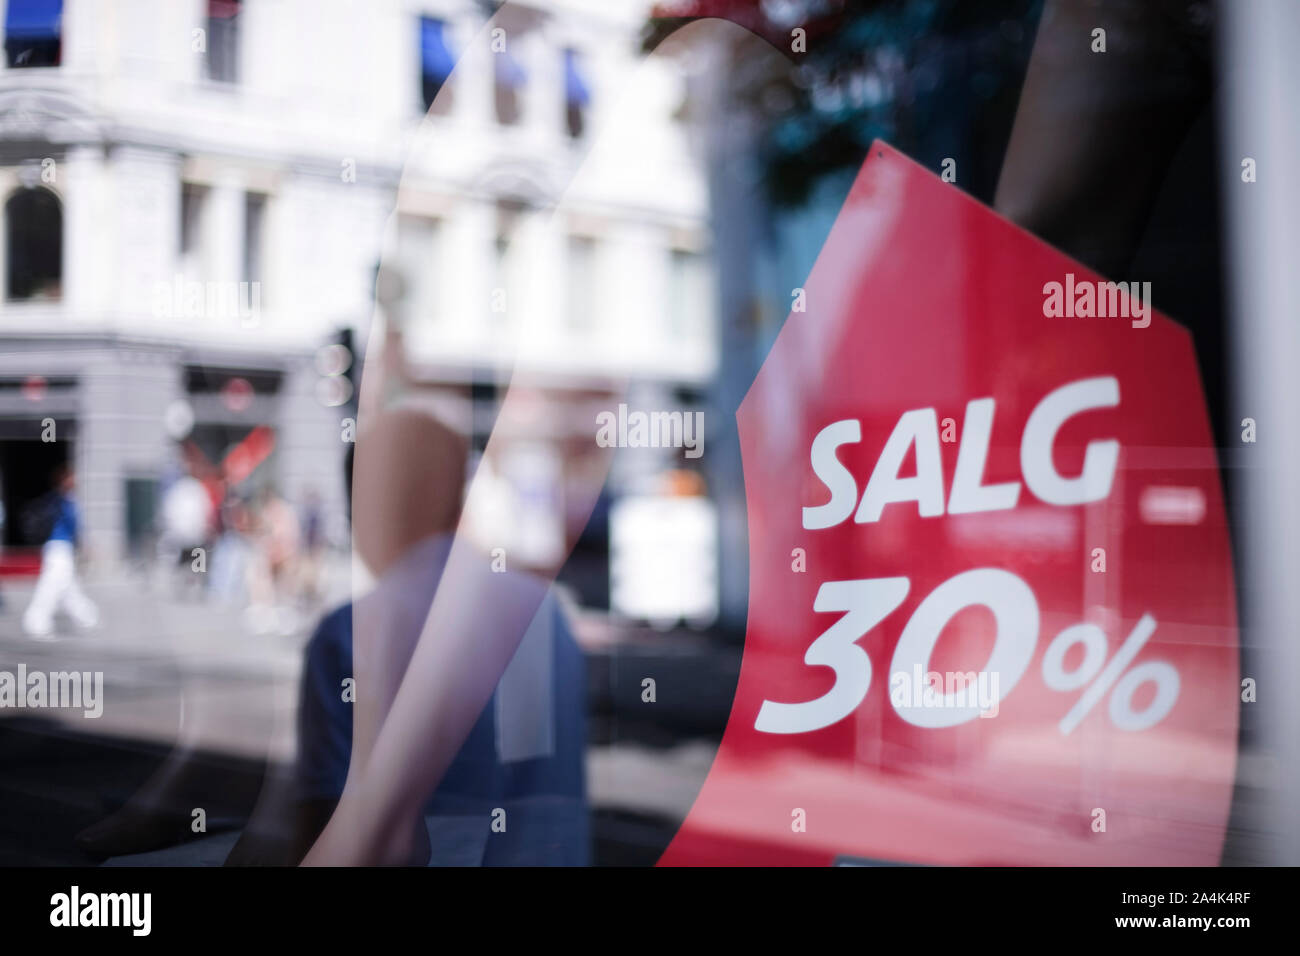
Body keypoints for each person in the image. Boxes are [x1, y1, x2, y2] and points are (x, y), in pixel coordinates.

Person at [22, 464, 99, 638]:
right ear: (65, 480)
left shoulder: (58, 499)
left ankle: (87, 617)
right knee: (50, 586)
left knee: (68, 587)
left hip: (58, 548)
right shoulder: (65, 501)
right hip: (59, 549)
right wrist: (85, 545)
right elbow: (75, 526)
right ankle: (35, 621)